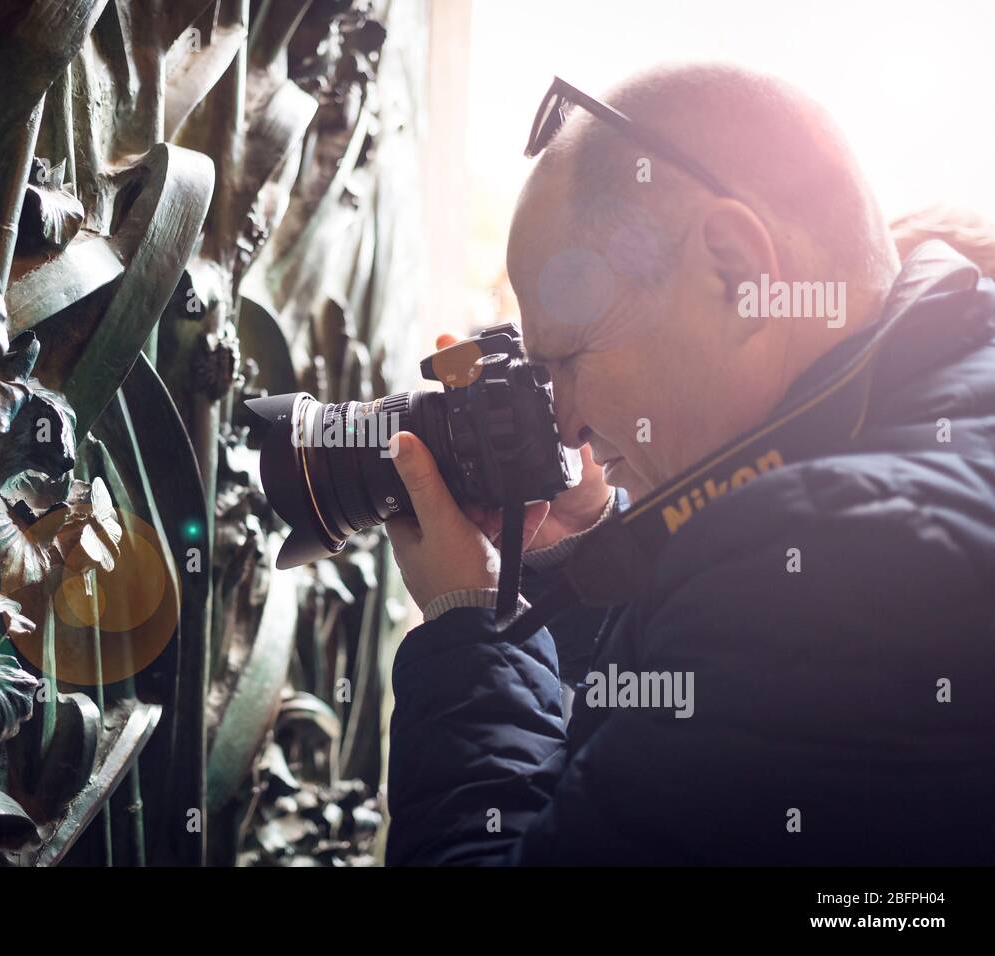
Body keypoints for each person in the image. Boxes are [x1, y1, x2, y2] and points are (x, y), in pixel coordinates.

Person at [382, 63, 995, 865]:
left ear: (737, 275)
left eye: (565, 360)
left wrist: (472, 627)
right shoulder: (941, 402)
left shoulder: (835, 570)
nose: (565, 425)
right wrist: (593, 555)